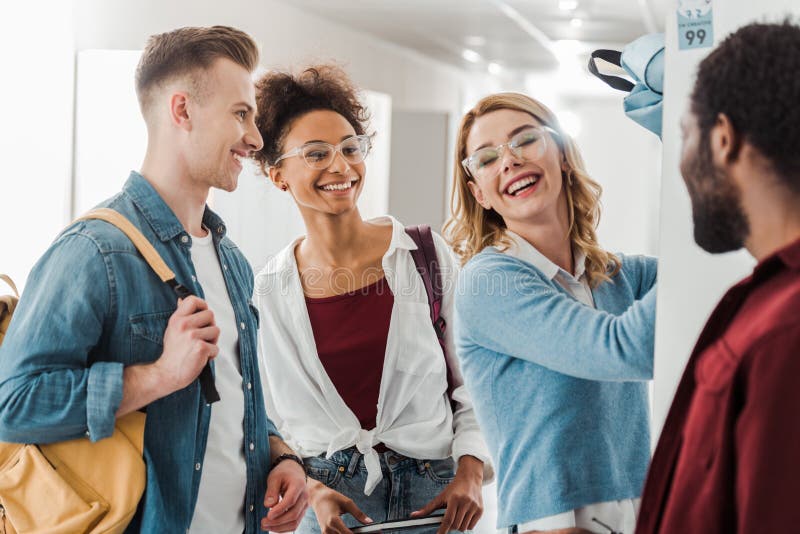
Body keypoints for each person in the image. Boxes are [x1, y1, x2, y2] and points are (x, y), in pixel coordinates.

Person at [0, 26, 308, 533]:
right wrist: (160, 375)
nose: (255, 138)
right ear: (182, 111)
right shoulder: (93, 251)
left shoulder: (232, 261)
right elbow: (13, 404)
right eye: (241, 114)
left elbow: (233, 398)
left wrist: (281, 455)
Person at [250, 64, 492, 534]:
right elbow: (274, 417)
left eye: (350, 148)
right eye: (316, 153)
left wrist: (472, 470)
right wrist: (312, 489)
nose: (340, 166)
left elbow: (476, 380)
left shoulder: (423, 255)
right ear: (278, 174)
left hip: (438, 496)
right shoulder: (271, 287)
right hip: (331, 505)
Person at [445, 92, 657, 533]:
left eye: (525, 140)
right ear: (478, 193)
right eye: (486, 158)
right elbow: (620, 350)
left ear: (561, 153)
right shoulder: (490, 282)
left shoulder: (618, 275)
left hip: (639, 510)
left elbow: (710, 284)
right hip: (556, 523)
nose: (509, 160)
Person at [636, 21, 800, 533]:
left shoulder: (784, 333)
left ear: (723, 139)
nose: (681, 161)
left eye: (683, 134)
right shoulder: (766, 302)